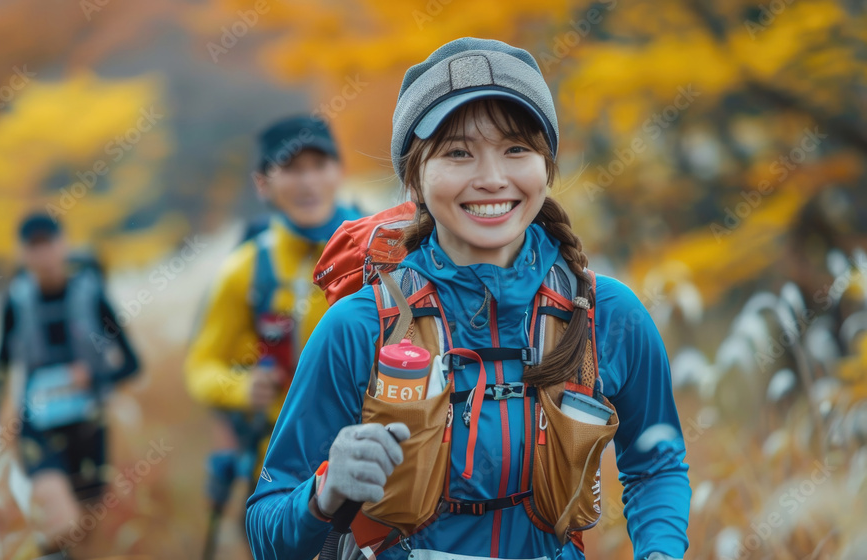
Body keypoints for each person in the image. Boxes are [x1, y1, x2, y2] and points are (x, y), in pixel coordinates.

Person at [245, 38, 691, 560]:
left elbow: (655, 464)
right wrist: (323, 493)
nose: (492, 179)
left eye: (516, 149)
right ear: (415, 175)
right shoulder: (358, 326)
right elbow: (265, 529)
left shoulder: (606, 315)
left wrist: (659, 552)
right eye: (458, 152)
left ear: (546, 166)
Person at [183, 115, 361, 556]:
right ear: (262, 183)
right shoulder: (245, 269)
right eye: (291, 169)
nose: (308, 182)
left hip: (372, 466)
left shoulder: (384, 250)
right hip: (281, 475)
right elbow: (200, 367)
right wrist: (244, 387)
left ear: (339, 172)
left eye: (319, 165)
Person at [0, 213, 140, 558]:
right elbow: (1, 363)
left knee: (84, 527)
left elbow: (132, 364)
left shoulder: (91, 294)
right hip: (38, 429)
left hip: (89, 427)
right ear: (22, 253)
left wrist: (94, 378)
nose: (42, 254)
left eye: (47, 243)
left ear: (63, 243)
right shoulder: (16, 303)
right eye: (33, 247)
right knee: (58, 521)